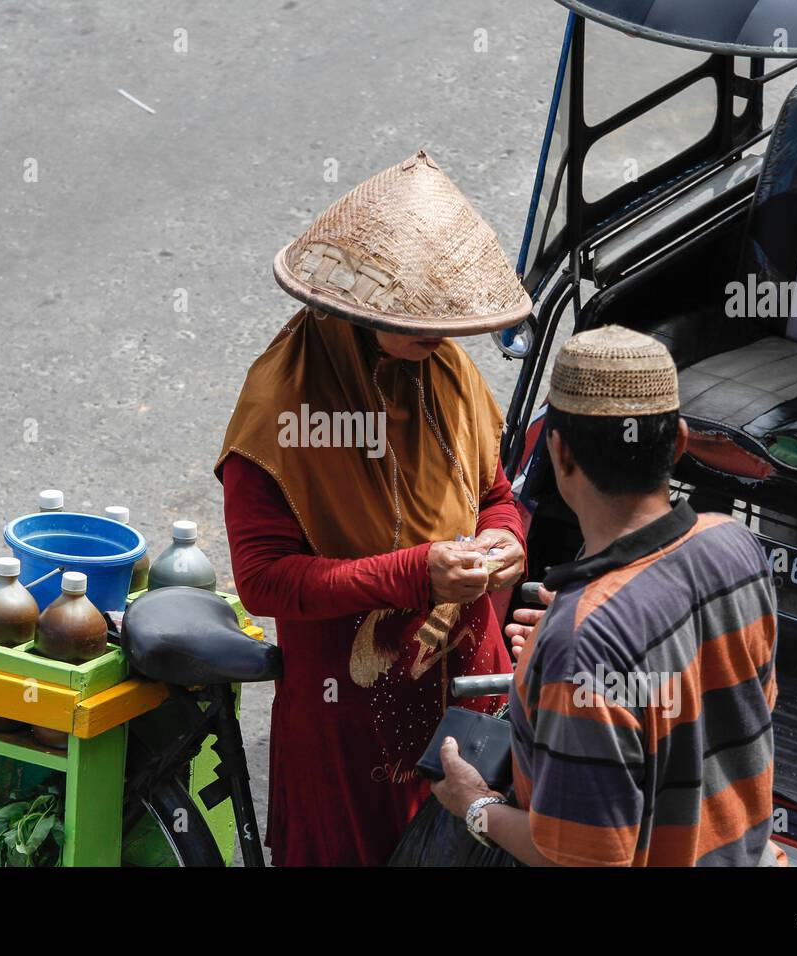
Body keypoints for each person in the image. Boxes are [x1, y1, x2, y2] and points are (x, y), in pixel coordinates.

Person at [216, 150, 532, 866]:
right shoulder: (282, 411)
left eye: (445, 324)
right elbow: (265, 581)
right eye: (417, 321)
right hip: (349, 719)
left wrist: (505, 537)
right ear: (354, 314)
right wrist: (415, 573)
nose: (441, 339)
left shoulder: (443, 368)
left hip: (465, 698)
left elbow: (495, 494)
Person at [433, 325, 782, 866]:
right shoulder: (736, 548)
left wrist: (475, 804)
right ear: (681, 442)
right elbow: (726, 706)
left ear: (560, 453)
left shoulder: (583, 643)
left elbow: (580, 859)